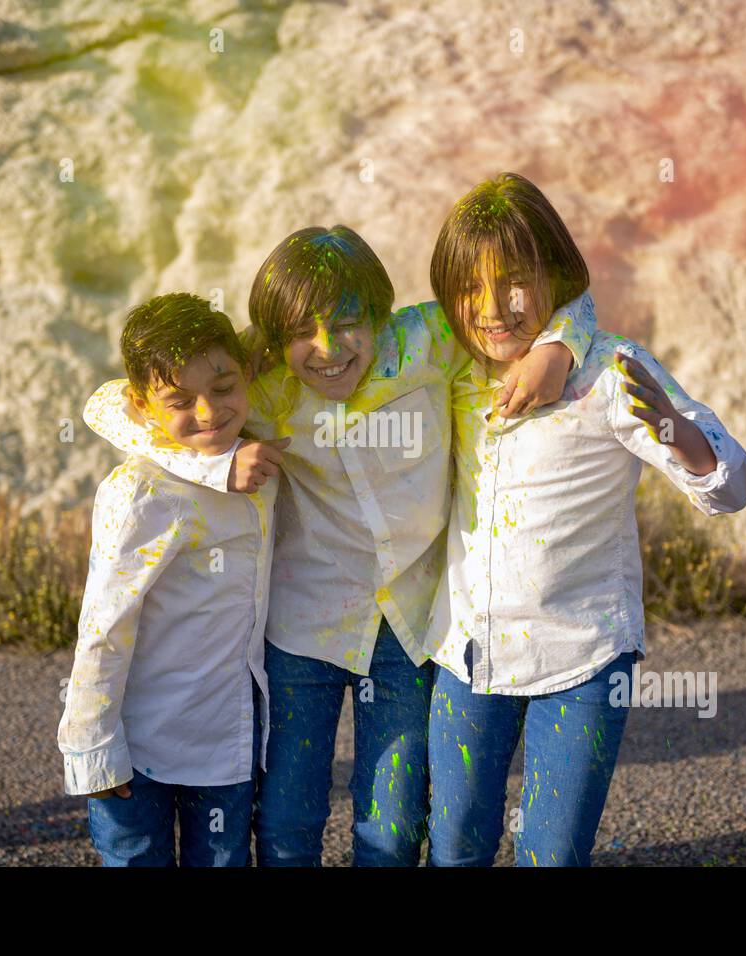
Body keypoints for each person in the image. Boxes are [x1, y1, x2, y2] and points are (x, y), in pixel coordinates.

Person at [83, 223, 590, 865]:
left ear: (380, 312)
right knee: (289, 820)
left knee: (394, 821)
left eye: (348, 322)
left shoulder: (426, 342)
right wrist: (214, 468)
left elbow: (552, 302)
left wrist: (559, 347)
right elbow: (111, 406)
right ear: (274, 338)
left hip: (408, 629)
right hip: (304, 629)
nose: (326, 348)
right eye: (301, 334)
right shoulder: (262, 381)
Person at [425, 172, 746, 866]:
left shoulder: (610, 371)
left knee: (553, 853)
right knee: (455, 843)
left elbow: (732, 487)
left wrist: (675, 431)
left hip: (582, 656)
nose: (491, 308)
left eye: (513, 280)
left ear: (555, 269)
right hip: (467, 652)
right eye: (471, 288)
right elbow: (356, 353)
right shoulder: (449, 366)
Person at [57, 292, 276, 867]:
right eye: (180, 400)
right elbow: (103, 627)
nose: (208, 412)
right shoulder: (140, 494)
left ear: (246, 374)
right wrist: (91, 745)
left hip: (227, 741)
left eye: (224, 389)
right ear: (143, 405)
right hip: (140, 746)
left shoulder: (258, 464)